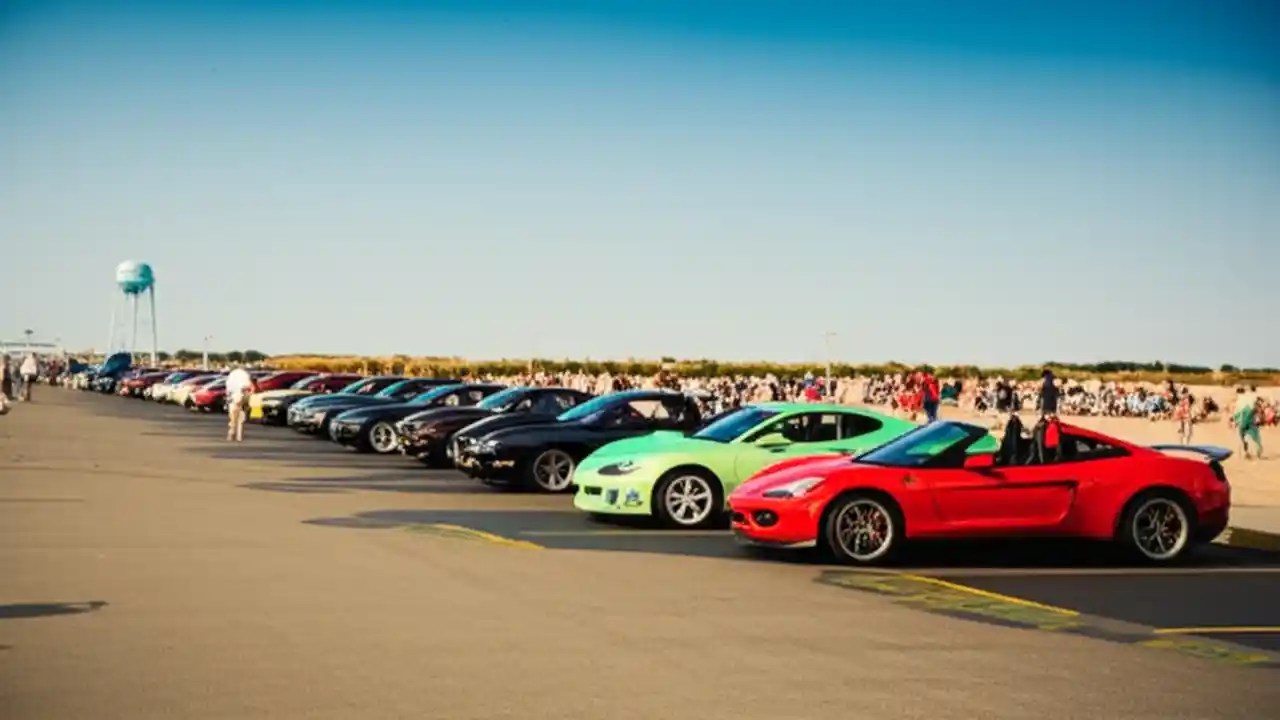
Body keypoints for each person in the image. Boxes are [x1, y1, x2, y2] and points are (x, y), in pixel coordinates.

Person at [225, 366, 257, 442]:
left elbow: (227, 389)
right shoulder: (245, 377)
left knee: (233, 417)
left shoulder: (232, 377)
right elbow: (252, 388)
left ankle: (231, 433)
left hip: (233, 399)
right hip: (241, 399)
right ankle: (238, 436)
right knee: (240, 419)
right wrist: (249, 394)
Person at [1231, 386, 1263, 460]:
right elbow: (1255, 408)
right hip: (1249, 420)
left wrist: (1234, 421)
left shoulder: (1239, 400)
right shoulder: (1251, 397)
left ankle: (1246, 452)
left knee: (1242, 438)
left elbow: (1236, 413)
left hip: (1242, 421)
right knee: (1255, 438)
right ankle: (1257, 453)